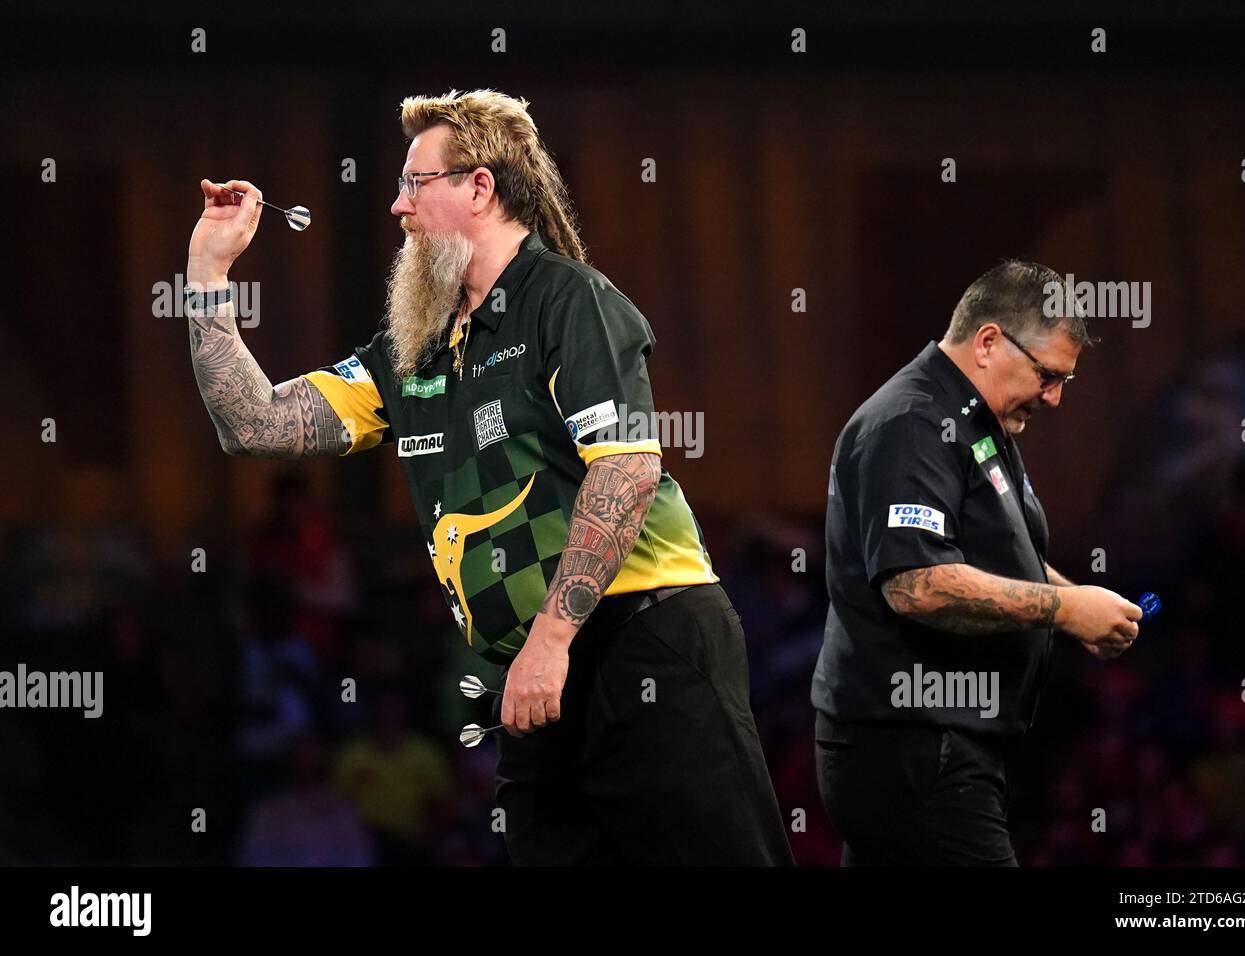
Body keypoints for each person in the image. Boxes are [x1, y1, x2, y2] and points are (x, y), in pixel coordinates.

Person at [184, 88, 792, 866]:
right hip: (531, 674)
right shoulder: (412, 347)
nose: (397, 209)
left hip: (646, 641)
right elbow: (255, 424)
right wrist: (207, 268)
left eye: (415, 183)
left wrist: (552, 637)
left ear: (480, 187)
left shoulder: (569, 300)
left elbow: (629, 471)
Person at [811, 261, 1143, 866]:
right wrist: (1066, 610)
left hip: (934, 746)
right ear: (988, 341)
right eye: (1047, 375)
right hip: (912, 748)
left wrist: (1082, 605)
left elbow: (1000, 557)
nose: (1055, 396)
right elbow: (918, 585)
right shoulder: (913, 421)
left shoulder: (974, 422)